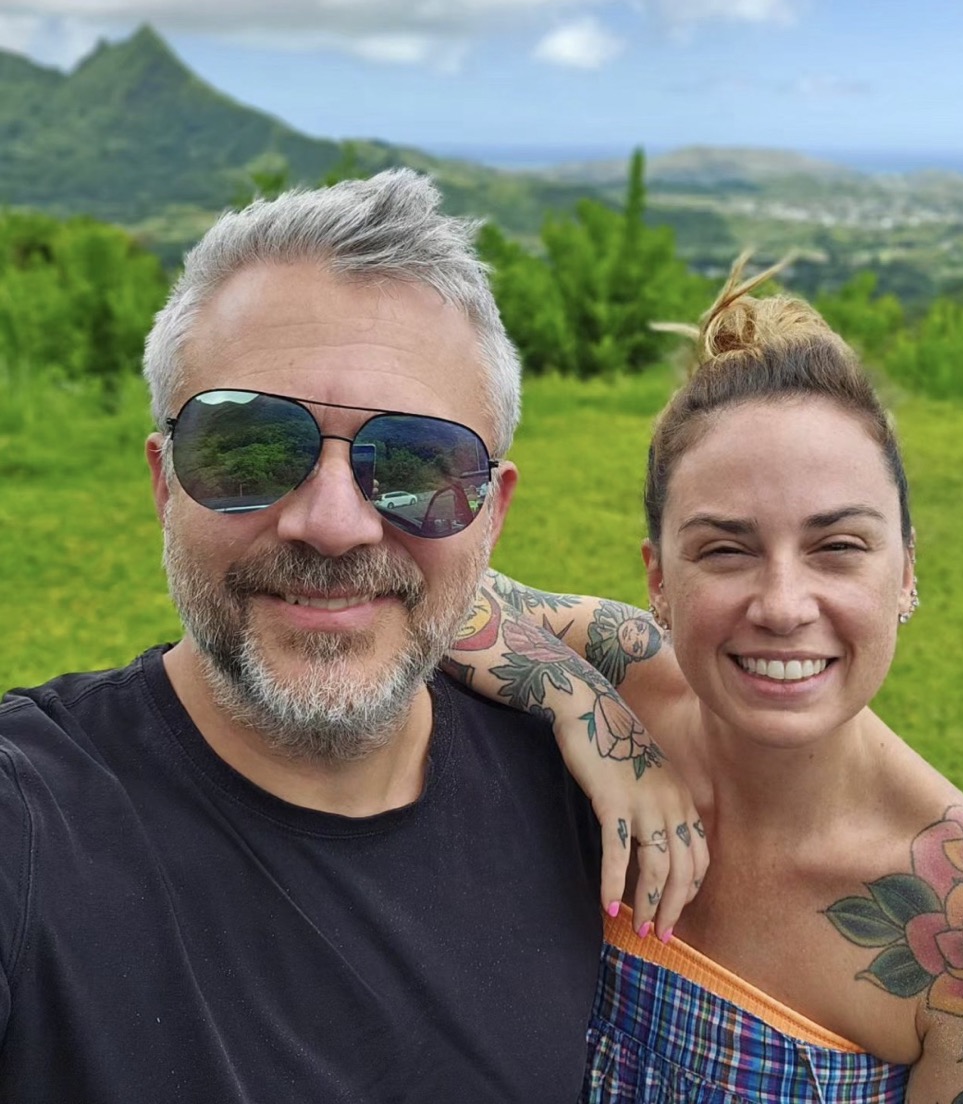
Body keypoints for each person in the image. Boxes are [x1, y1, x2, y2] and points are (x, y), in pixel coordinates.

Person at [0, 171, 706, 1103]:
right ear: (164, 481)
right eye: (248, 446)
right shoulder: (31, 823)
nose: (333, 525)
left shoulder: (584, 806)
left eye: (418, 463)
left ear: (489, 513)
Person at [451, 257, 963, 1101]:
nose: (783, 606)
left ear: (904, 572)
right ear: (656, 581)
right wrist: (589, 714)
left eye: (838, 547)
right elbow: (425, 585)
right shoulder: (614, 665)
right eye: (725, 548)